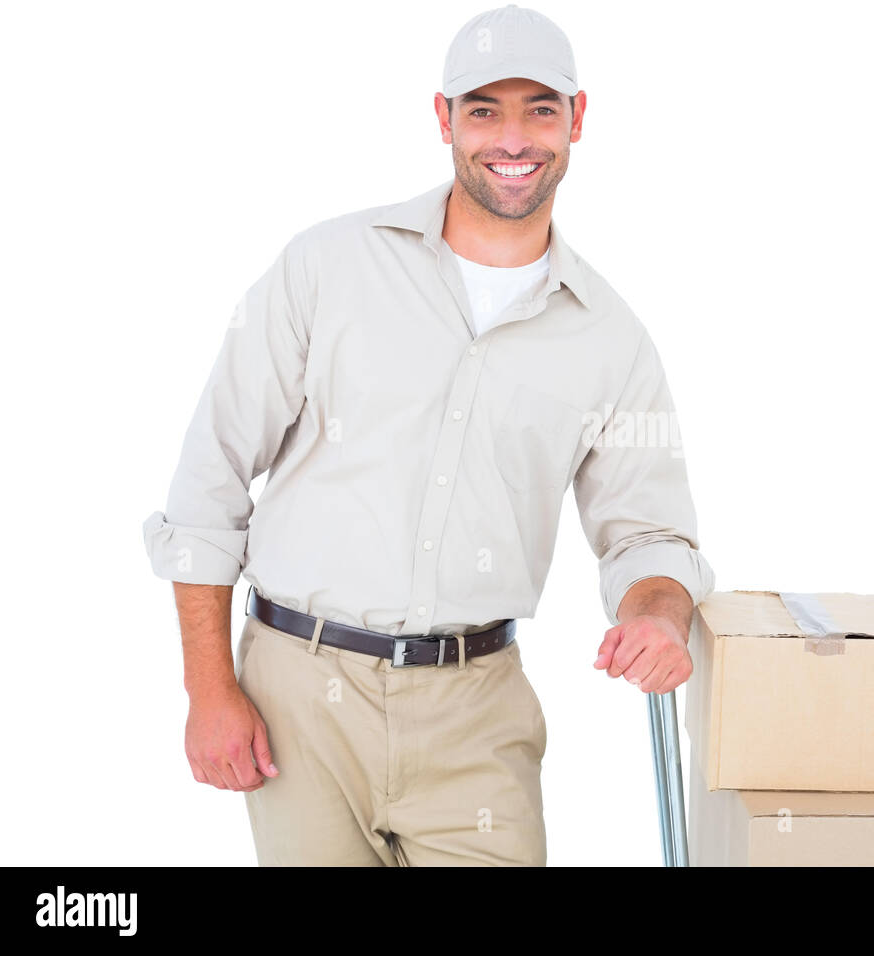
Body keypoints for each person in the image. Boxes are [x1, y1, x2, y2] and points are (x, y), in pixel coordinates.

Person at [141, 3, 715, 866]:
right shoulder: (327, 266)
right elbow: (210, 481)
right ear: (443, 118)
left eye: (540, 109)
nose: (512, 137)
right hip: (300, 698)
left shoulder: (610, 338)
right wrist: (208, 686)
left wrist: (660, 616)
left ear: (578, 119)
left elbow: (651, 535)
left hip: (477, 715)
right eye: (484, 109)